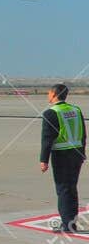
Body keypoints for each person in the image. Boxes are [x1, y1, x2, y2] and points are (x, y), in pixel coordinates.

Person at [40, 83, 85, 233]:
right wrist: (82, 152)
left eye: (49, 92)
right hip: (76, 153)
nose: (47, 95)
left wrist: (43, 160)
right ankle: (71, 221)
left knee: (63, 189)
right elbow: (83, 134)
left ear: (54, 94)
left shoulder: (51, 113)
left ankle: (67, 225)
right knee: (71, 188)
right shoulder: (76, 110)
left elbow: (47, 139)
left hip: (62, 155)